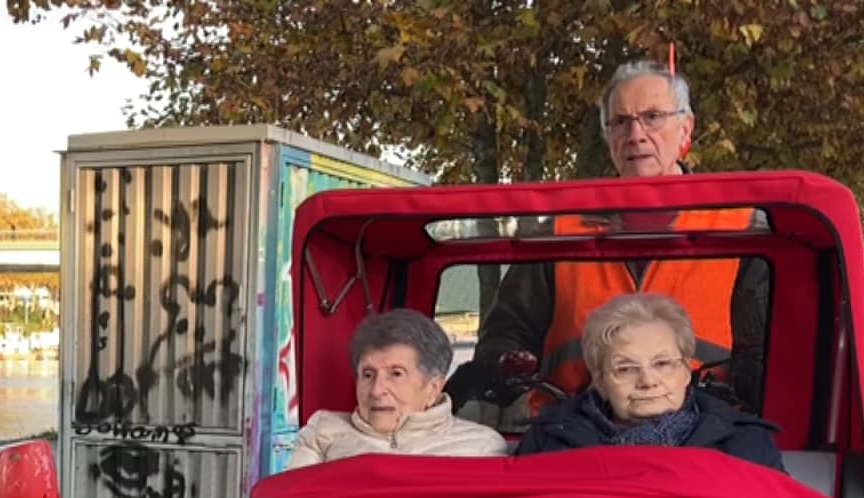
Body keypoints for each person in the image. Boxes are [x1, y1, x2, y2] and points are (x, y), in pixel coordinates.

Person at [448, 59, 770, 412]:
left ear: (685, 128)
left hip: (700, 435)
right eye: (621, 122)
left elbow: (766, 354)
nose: (636, 135)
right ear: (608, 135)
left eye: (652, 117)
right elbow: (507, 332)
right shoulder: (558, 232)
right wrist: (506, 373)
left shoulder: (740, 228)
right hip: (572, 434)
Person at [514, 293, 785, 472]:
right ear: (600, 380)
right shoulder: (548, 440)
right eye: (626, 368)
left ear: (686, 371)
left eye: (662, 364)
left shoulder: (747, 442)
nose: (647, 381)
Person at [284, 309, 507, 469]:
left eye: (396, 374)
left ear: (433, 388)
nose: (376, 390)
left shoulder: (480, 448)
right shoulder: (322, 432)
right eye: (368, 375)